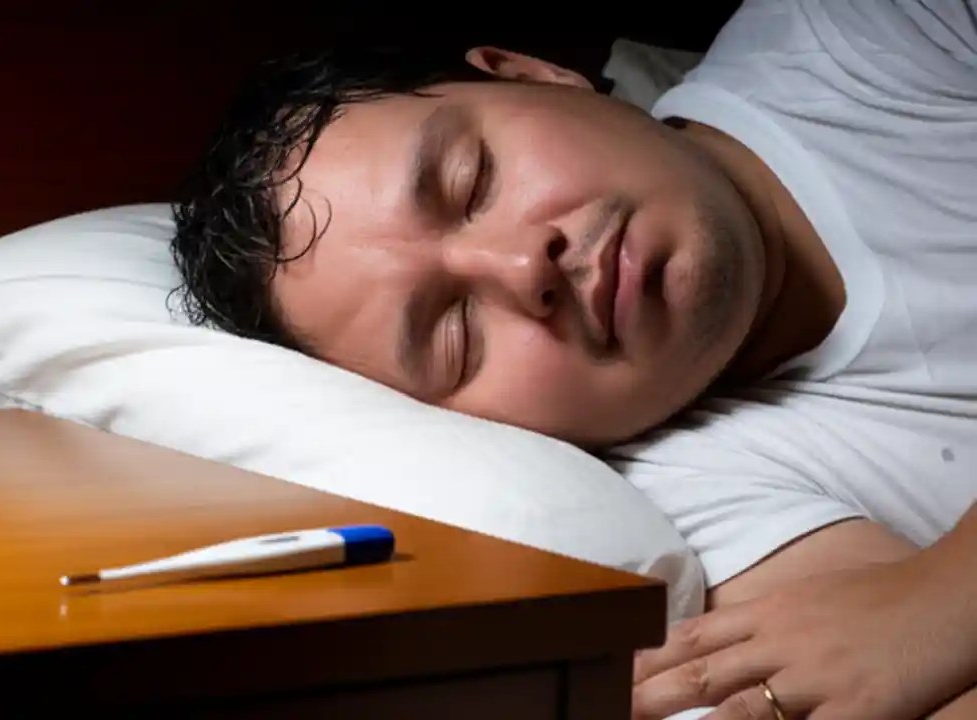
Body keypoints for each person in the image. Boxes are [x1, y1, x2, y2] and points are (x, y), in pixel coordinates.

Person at [170, 1, 977, 718]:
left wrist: (944, 594)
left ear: (535, 75)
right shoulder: (692, 503)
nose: (526, 270)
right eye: (456, 334)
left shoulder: (862, 33)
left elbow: (916, 636)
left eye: (473, 180)